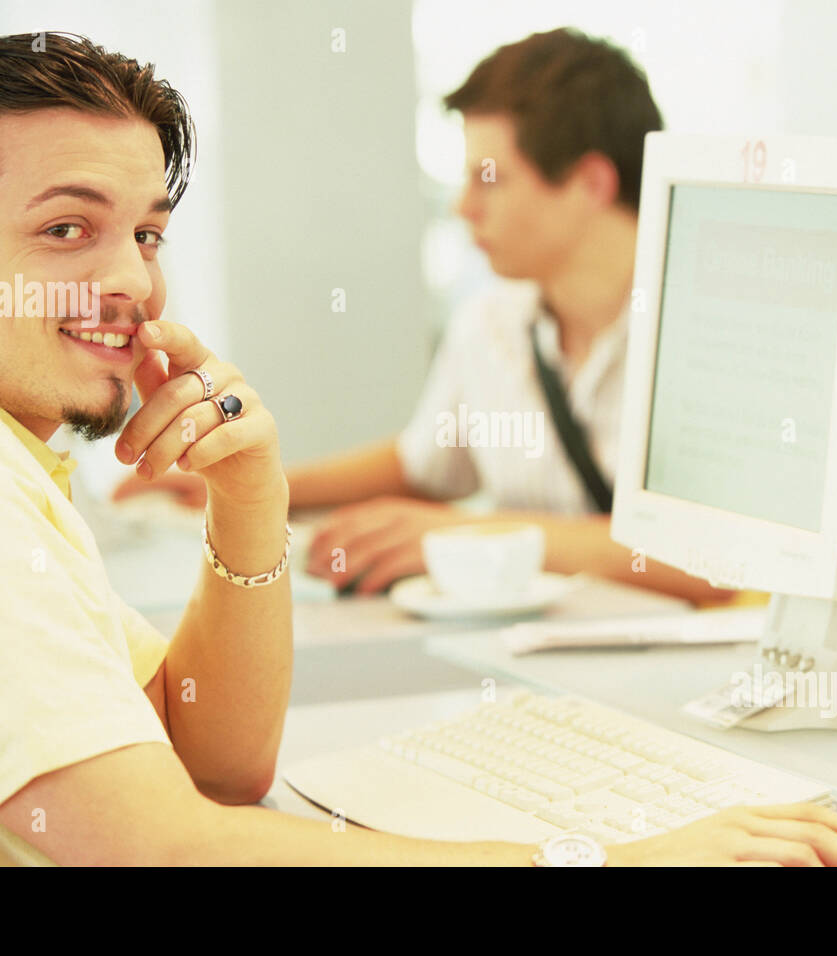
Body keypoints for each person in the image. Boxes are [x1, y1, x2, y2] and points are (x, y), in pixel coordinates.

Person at [0, 33, 837, 866]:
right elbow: (158, 844)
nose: (136, 285)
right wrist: (595, 855)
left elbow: (211, 761)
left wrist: (250, 492)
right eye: (68, 230)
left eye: (147, 235)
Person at [114, 29, 734, 604]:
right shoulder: (494, 322)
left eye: (489, 179)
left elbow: (713, 556)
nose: (465, 207)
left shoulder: (716, 330)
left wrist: (474, 534)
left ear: (590, 183)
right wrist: (239, 488)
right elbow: (425, 465)